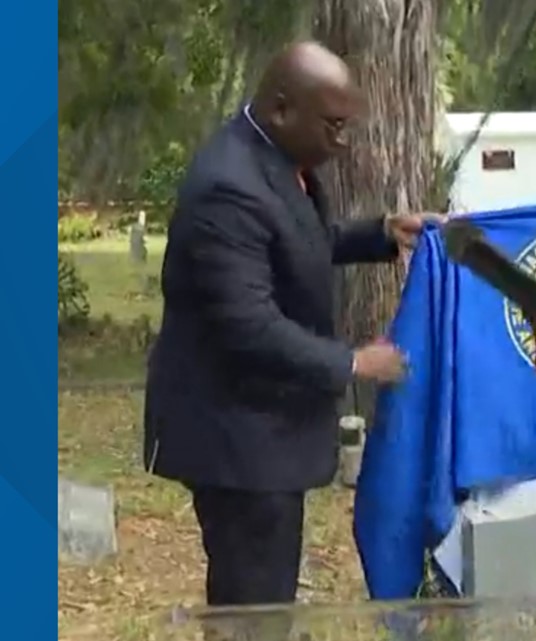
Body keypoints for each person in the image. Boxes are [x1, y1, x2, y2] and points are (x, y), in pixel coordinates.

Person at [142, 41, 437, 611]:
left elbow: (295, 242)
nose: (343, 142)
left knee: (264, 597)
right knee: (253, 604)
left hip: (264, 430)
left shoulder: (272, 160)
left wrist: (381, 234)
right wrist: (353, 362)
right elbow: (248, 324)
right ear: (282, 109)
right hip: (236, 437)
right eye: (333, 127)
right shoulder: (227, 187)